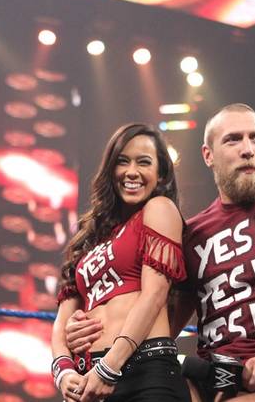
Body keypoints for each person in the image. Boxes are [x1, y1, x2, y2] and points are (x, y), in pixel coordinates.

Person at [65, 104, 255, 402]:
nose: (248, 150)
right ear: (208, 155)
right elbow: (160, 318)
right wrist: (89, 329)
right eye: (233, 139)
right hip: (203, 379)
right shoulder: (192, 233)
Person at [51, 123, 191, 402]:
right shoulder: (91, 237)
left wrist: (110, 367)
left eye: (144, 162)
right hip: (90, 380)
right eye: (122, 161)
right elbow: (62, 321)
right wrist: (64, 372)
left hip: (144, 372)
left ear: (161, 174)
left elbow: (154, 295)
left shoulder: (159, 209)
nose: (131, 172)